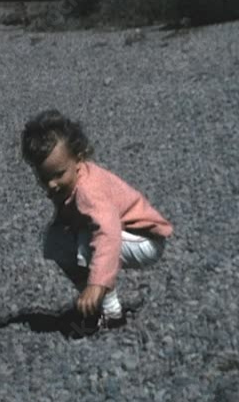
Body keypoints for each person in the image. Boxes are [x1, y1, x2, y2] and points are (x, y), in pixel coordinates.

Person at [20, 109, 174, 330]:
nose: (52, 184)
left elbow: (107, 233)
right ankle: (92, 305)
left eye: (59, 174)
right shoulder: (68, 183)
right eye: (45, 178)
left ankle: (112, 314)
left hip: (146, 240)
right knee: (56, 240)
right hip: (122, 234)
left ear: (78, 159)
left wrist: (97, 282)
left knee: (88, 240)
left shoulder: (87, 191)